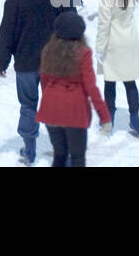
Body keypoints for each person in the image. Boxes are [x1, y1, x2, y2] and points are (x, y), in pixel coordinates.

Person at [0, 0, 70, 165]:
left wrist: (2, 62)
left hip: (26, 64)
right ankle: (62, 150)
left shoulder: (13, 1)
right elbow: (72, 26)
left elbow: (6, 35)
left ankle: (29, 149)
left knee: (28, 105)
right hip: (54, 64)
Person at [35, 12, 112, 167]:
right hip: (74, 111)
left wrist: (51, 102)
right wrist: (104, 116)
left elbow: (44, 80)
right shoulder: (83, 53)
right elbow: (91, 86)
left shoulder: (48, 50)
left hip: (50, 109)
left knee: (59, 156)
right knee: (77, 158)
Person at [95, 0, 139, 136]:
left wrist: (99, 48)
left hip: (113, 43)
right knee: (130, 82)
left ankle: (109, 120)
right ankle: (135, 119)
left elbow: (104, 22)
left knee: (110, 83)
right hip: (130, 39)